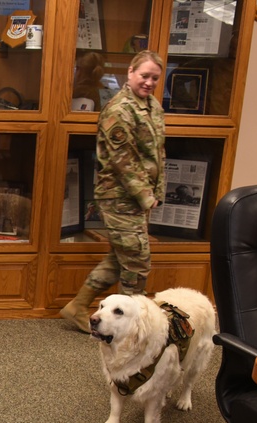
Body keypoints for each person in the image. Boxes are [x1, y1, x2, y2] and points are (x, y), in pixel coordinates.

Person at [61, 50, 166, 333]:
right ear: (130, 72)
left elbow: (157, 153)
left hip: (139, 198)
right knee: (137, 261)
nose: (149, 82)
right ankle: (132, 327)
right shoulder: (119, 109)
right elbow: (123, 161)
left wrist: (156, 192)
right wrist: (146, 196)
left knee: (123, 257)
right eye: (144, 75)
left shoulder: (152, 105)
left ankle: (78, 306)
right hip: (119, 196)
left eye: (155, 78)